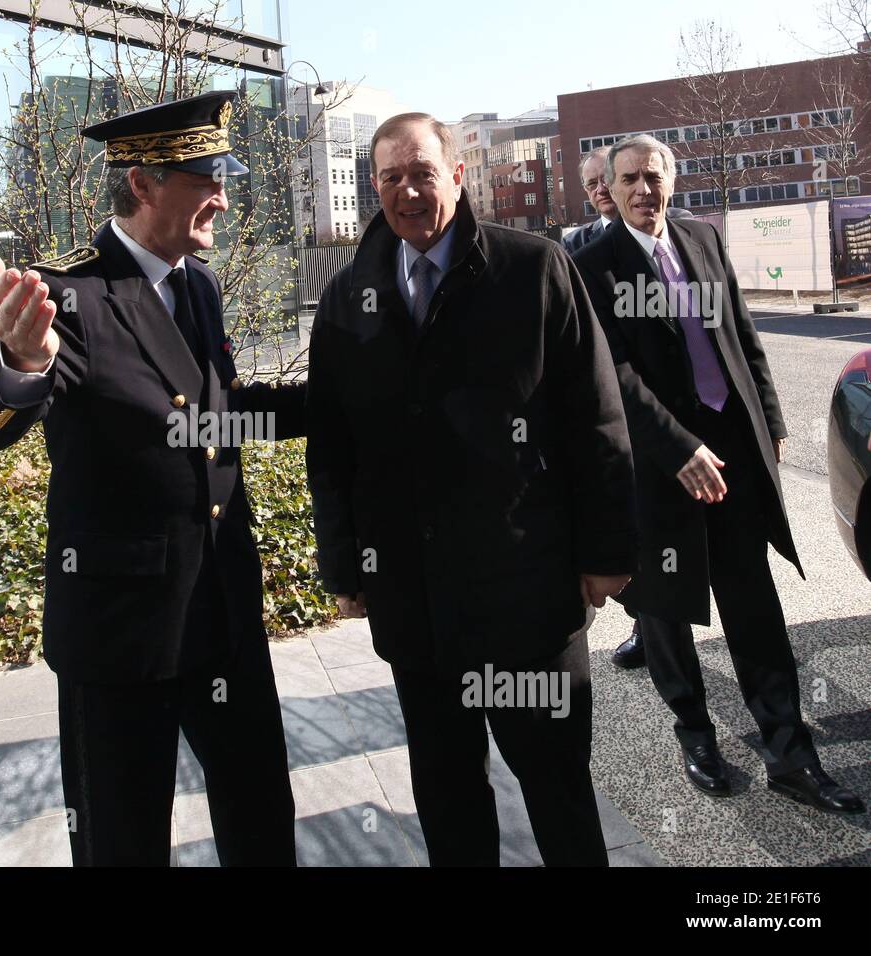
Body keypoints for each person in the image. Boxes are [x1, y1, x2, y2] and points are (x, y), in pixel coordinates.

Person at [0, 91, 309, 865]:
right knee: (122, 837)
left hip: (221, 607)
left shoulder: (199, 285)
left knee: (261, 818)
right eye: (205, 174)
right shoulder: (66, 295)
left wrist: (335, 402)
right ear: (143, 186)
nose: (222, 192)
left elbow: (212, 415)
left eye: (223, 172)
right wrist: (20, 361)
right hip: (122, 630)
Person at [306, 113, 638, 866]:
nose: (407, 190)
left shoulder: (535, 269)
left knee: (558, 790)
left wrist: (608, 551)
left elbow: (596, 417)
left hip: (527, 595)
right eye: (389, 176)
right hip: (416, 606)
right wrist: (343, 565)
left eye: (422, 171)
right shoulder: (347, 296)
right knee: (449, 796)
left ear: (458, 175)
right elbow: (331, 444)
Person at [574, 134, 865, 814]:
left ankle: (791, 754)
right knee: (665, 609)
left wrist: (769, 419)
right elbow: (610, 376)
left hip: (730, 458)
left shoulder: (702, 239)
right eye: (630, 180)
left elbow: (739, 334)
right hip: (657, 467)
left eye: (654, 176)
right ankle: (696, 735)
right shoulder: (593, 267)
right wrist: (678, 448)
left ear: (672, 180)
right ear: (610, 190)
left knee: (754, 606)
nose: (643, 190)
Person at [564, 145, 646, 669]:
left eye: (604, 180)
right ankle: (642, 613)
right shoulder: (575, 245)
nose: (599, 190)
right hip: (607, 404)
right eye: (591, 183)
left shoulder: (661, 230)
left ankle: (654, 621)